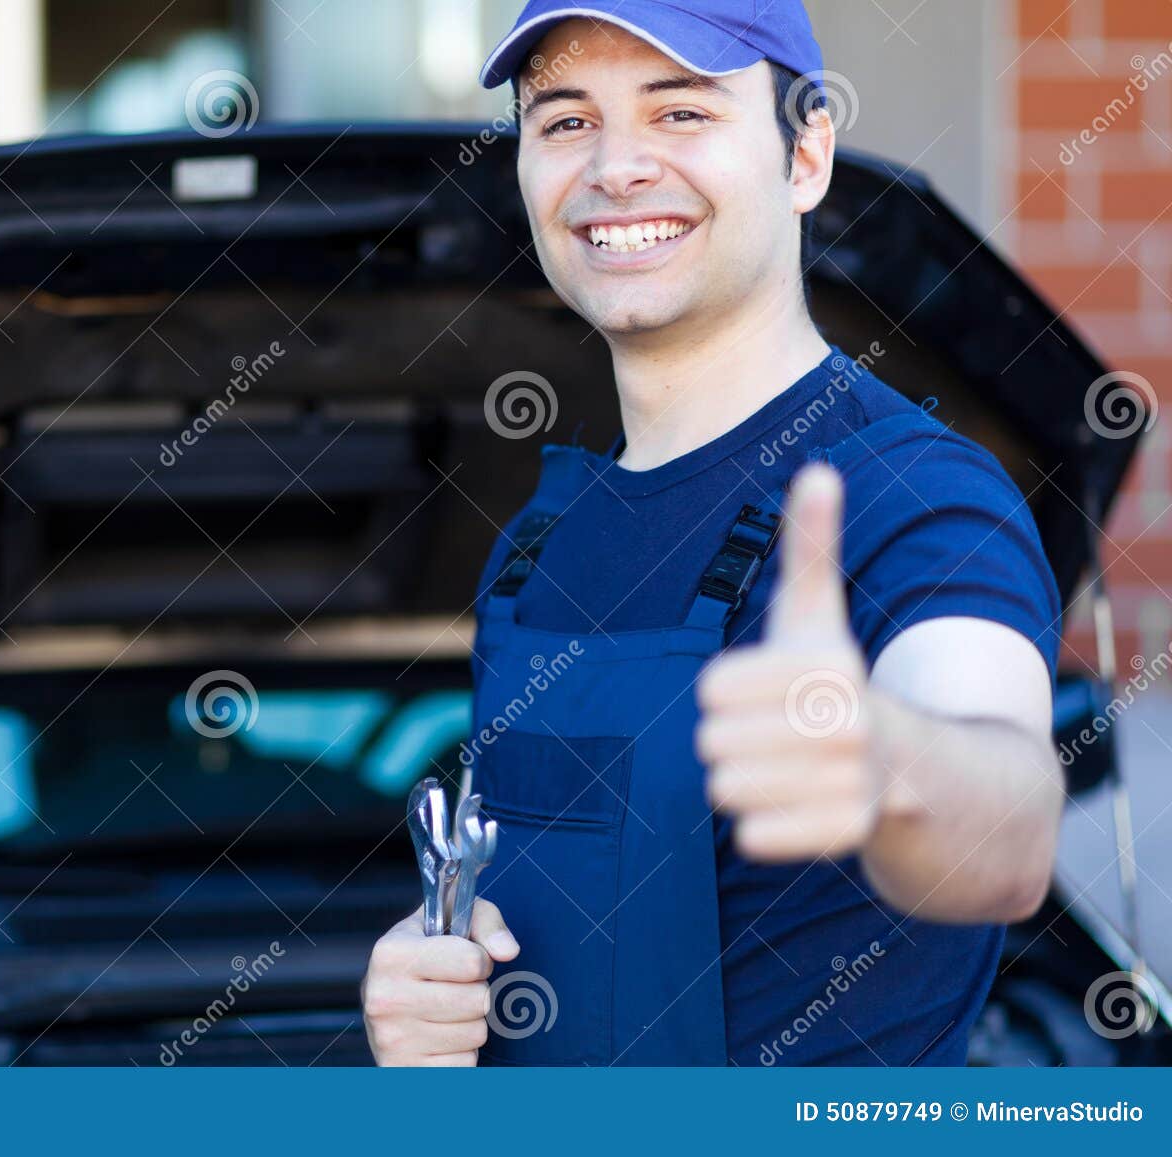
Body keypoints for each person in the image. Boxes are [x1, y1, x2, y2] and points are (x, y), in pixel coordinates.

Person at [360, 0, 1064, 1066]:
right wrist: (434, 993)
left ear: (806, 152)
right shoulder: (536, 551)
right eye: (564, 121)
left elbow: (1002, 834)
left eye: (680, 111)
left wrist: (888, 762)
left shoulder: (912, 500)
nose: (616, 167)